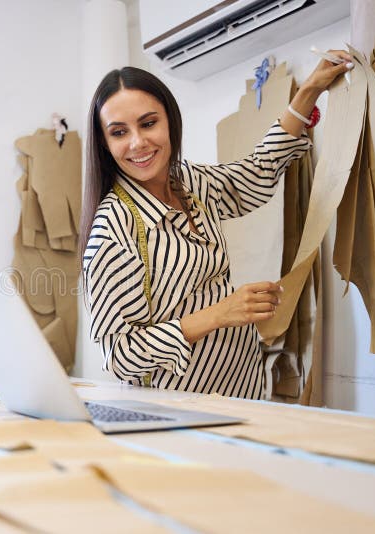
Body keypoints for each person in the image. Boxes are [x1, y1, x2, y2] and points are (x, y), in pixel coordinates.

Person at [80, 52, 353, 399]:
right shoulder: (112, 231)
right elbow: (120, 355)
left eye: (148, 123)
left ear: (170, 122)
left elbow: (255, 175)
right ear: (105, 144)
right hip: (177, 410)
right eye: (119, 132)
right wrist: (221, 313)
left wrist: (309, 91)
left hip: (243, 389)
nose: (137, 142)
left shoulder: (188, 181)